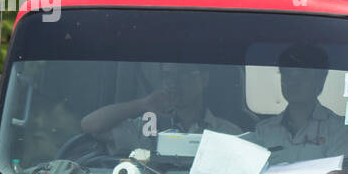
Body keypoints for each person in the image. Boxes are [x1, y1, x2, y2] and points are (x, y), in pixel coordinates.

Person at [81, 62, 242, 156]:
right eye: (167, 76)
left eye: (181, 74)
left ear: (204, 78)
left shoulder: (228, 134)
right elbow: (90, 125)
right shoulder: (147, 127)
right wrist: (143, 104)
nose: (172, 82)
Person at [252, 43, 348, 165]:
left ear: (320, 80)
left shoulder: (339, 129)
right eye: (287, 75)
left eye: (303, 75)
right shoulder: (264, 130)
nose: (293, 82)